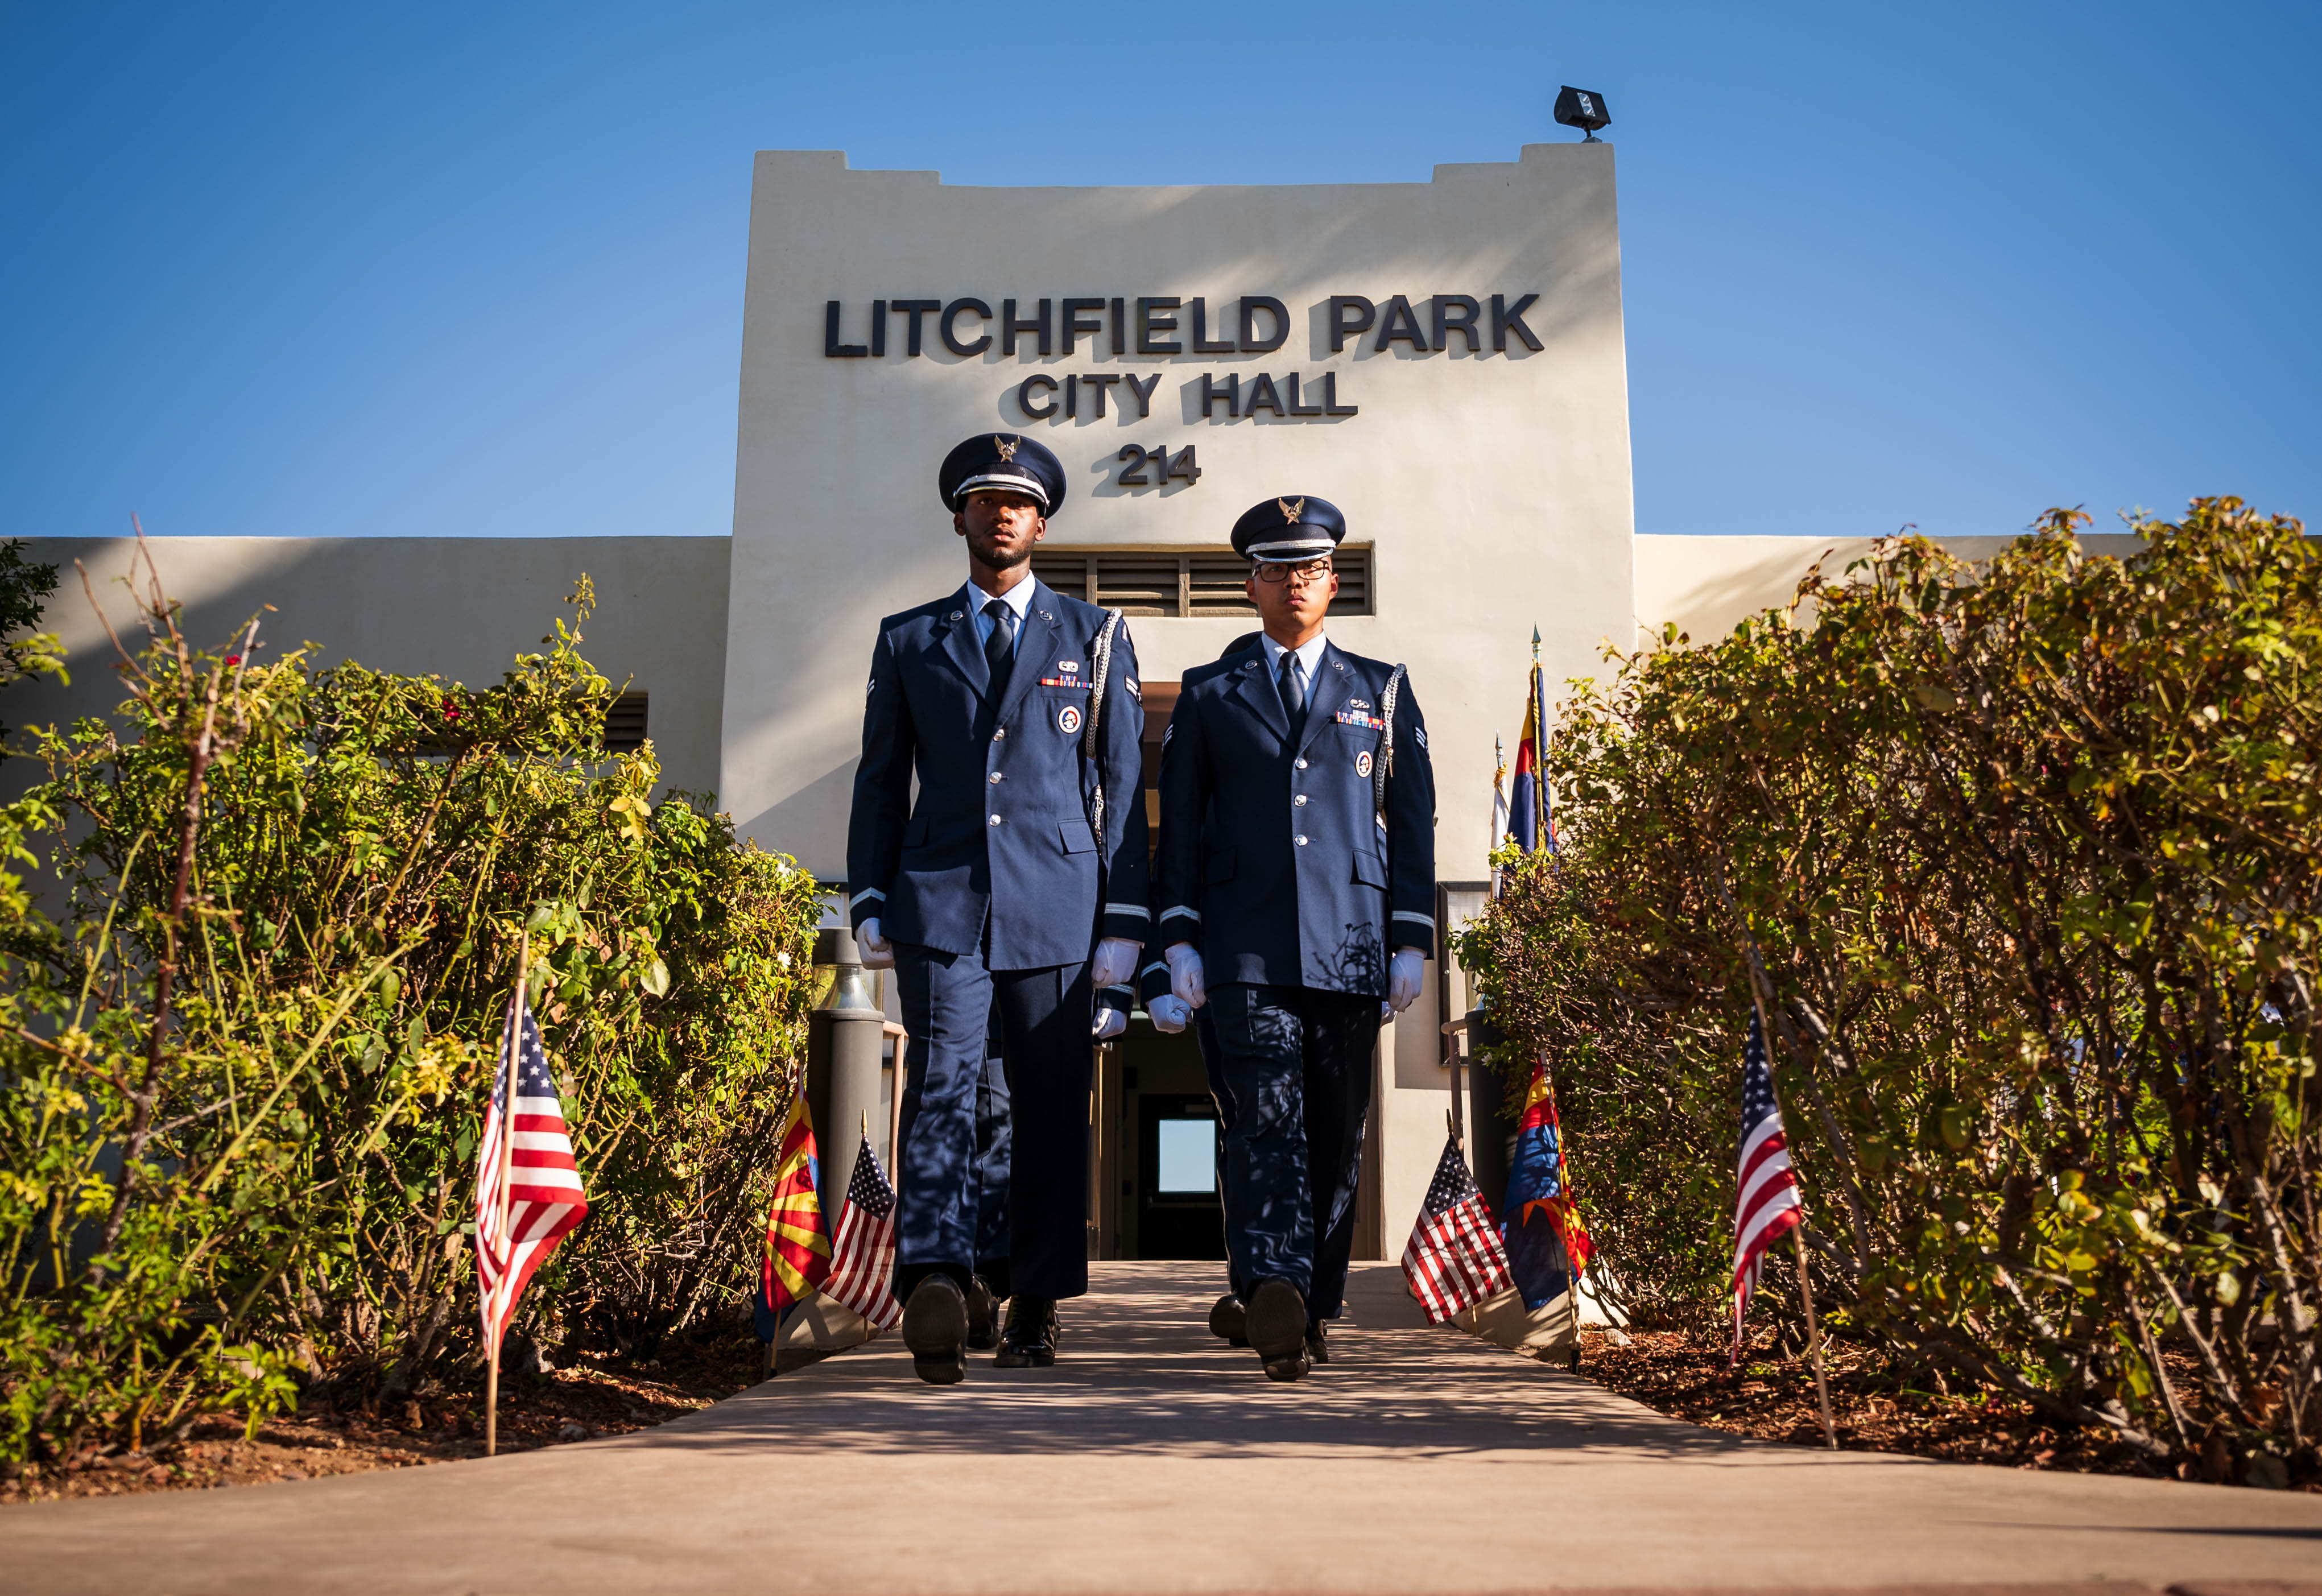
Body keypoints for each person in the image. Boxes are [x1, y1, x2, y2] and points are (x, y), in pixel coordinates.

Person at [848, 433, 1149, 1383]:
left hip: (1058, 903)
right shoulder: (909, 637)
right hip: (940, 900)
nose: (1000, 513)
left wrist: (1124, 922)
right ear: (960, 517)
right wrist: (867, 891)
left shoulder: (1094, 636)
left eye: (1017, 501)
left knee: (1049, 1109)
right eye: (983, 499)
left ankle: (1035, 1301)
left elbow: (1120, 778)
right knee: (940, 1088)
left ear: (1042, 522)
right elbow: (880, 776)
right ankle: (936, 1279)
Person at [1151, 497, 1436, 1382]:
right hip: (1241, 949)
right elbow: (1181, 830)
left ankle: (1308, 1301)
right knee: (1262, 1120)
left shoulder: (1379, 687)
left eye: (1309, 569)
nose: (1293, 583)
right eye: (1275, 569)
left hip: (1350, 947)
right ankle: (1272, 1285)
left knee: (1333, 1133)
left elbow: (1414, 820)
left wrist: (1411, 938)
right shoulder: (1208, 690)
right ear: (1251, 584)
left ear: (1333, 582)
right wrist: (1178, 938)